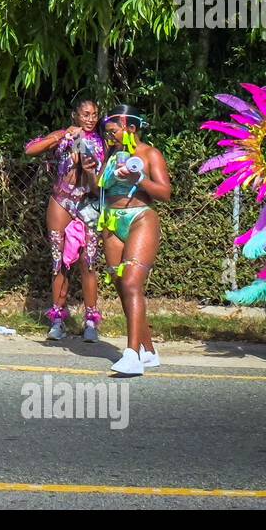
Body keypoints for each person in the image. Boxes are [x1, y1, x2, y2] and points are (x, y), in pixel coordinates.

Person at [98, 105, 171, 376]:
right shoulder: (112, 155)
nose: (110, 137)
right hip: (111, 222)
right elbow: (101, 189)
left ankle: (131, 356)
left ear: (131, 127)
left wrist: (139, 178)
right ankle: (148, 351)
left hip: (140, 218)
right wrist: (90, 170)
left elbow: (165, 192)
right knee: (122, 287)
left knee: (131, 283)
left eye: (114, 131)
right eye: (107, 133)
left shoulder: (150, 154)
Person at [24, 99, 106, 340]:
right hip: (61, 201)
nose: (91, 118)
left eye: (95, 114)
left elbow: (99, 179)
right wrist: (62, 135)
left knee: (88, 262)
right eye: (86, 114)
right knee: (59, 262)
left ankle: (91, 322)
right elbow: (30, 149)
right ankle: (57, 320)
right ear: (75, 115)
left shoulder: (102, 141)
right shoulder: (64, 135)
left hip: (89, 203)